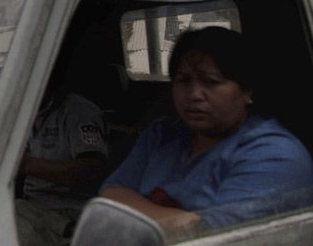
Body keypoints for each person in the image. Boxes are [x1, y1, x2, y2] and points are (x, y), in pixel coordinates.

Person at [100, 26, 313, 237]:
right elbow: (109, 198)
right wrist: (186, 221)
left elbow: (212, 237)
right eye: (184, 80)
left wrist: (133, 214)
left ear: (247, 91)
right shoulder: (162, 134)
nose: (194, 94)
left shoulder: (274, 156)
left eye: (211, 82)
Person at [16, 89, 108, 245]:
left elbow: (90, 172)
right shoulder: (18, 111)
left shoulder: (78, 111)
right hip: (32, 207)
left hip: (71, 212)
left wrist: (25, 164)